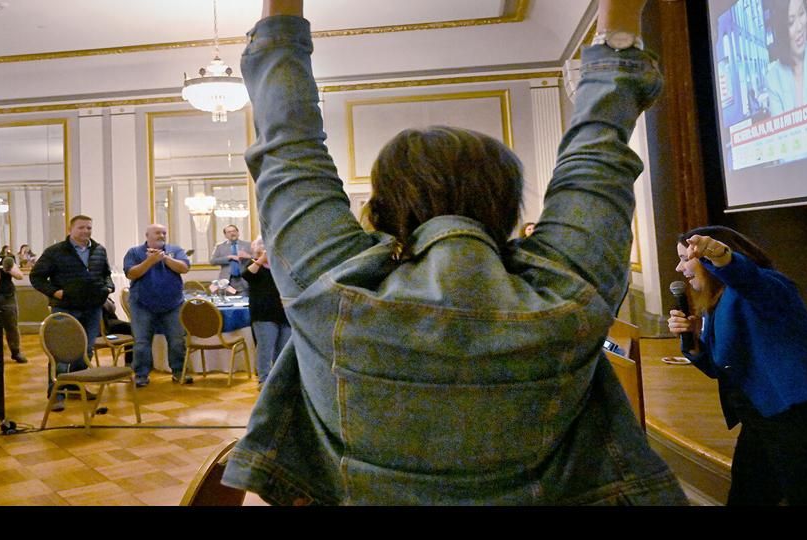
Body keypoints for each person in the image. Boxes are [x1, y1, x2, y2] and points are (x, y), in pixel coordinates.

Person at [221, 0, 685, 505]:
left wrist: (280, 13)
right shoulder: (566, 291)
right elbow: (597, 156)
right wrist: (620, 23)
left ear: (382, 211)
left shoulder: (331, 285)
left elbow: (288, 145)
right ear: (507, 210)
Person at [666, 226, 807, 505]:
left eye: (685, 258)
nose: (679, 268)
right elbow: (726, 371)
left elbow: (750, 281)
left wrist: (721, 256)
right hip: (761, 426)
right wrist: (694, 343)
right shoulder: (716, 304)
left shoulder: (766, 286)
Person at [30, 215, 114, 410]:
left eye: (89, 228)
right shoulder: (55, 252)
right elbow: (37, 277)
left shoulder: (99, 250)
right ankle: (56, 393)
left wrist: (108, 287)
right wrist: (55, 292)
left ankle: (77, 386)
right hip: (65, 307)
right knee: (61, 352)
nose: (86, 231)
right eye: (81, 228)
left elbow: (106, 274)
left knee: (86, 350)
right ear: (70, 230)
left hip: (92, 308)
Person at [121, 223, 191, 388]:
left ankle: (179, 372)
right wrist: (150, 261)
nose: (161, 236)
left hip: (173, 304)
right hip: (142, 305)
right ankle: (141, 375)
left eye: (164, 233)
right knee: (142, 342)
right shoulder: (134, 252)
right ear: (147, 236)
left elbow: (184, 268)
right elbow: (131, 273)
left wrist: (165, 258)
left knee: (177, 341)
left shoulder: (175, 250)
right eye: (158, 233)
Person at [242, 237, 291, 381]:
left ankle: (279, 381)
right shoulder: (253, 264)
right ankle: (263, 380)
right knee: (265, 348)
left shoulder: (280, 266)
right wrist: (261, 260)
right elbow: (247, 276)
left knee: (283, 350)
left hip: (283, 312)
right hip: (263, 313)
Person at [213, 224, 250, 293]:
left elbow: (256, 258)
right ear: (225, 235)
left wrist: (248, 256)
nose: (232, 233)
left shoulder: (248, 245)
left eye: (234, 231)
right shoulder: (220, 246)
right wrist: (228, 258)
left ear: (238, 233)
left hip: (244, 280)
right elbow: (213, 261)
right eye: (229, 232)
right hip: (227, 281)